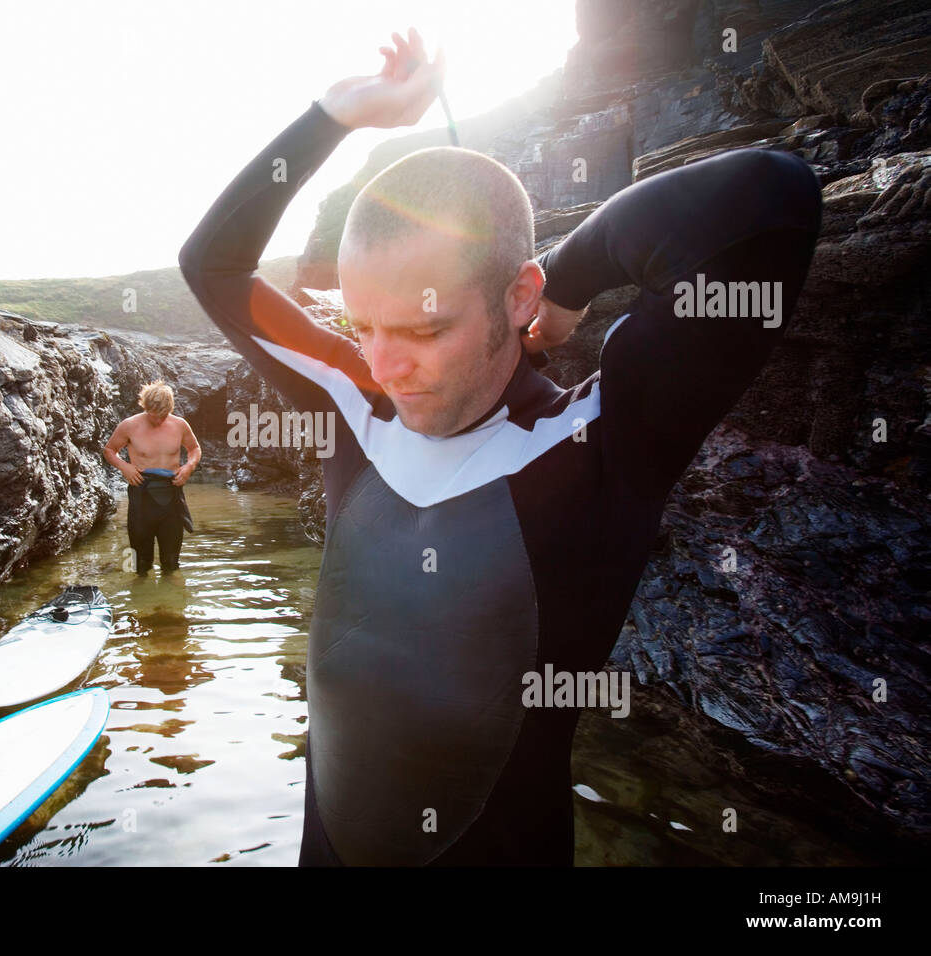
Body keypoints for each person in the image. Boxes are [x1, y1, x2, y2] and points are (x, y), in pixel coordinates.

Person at [178, 27, 822, 865]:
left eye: (423, 328)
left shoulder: (600, 443)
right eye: (362, 325)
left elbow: (770, 198)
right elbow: (213, 265)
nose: (384, 363)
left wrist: (569, 278)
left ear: (516, 295)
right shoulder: (354, 404)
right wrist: (337, 115)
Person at [103, 381, 199, 575]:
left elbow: (194, 448)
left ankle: (170, 600)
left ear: (170, 409)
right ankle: (140, 599)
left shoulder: (179, 425)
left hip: (171, 494)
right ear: (145, 407)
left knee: (171, 563)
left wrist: (189, 467)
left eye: (163, 416)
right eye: (154, 416)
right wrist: (125, 467)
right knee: (141, 565)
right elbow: (109, 450)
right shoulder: (130, 425)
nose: (158, 421)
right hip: (142, 495)